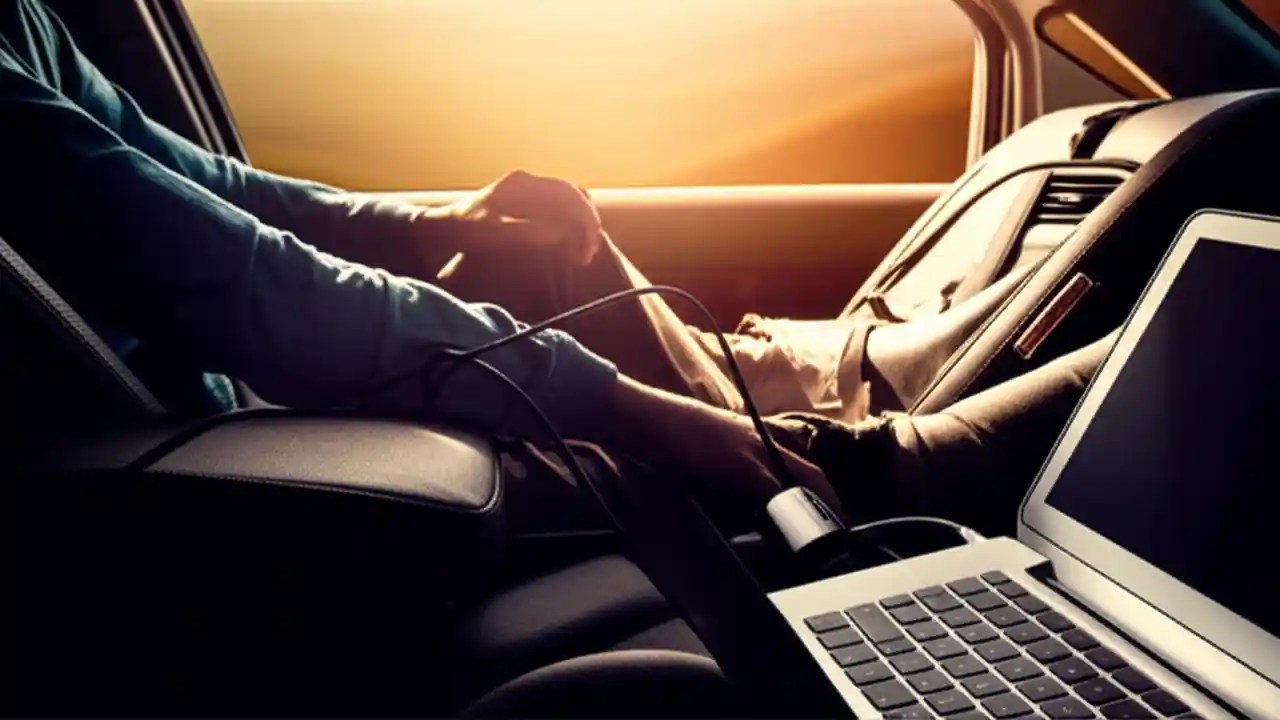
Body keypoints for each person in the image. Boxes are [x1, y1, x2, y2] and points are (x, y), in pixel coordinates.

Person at [0, 0, 841, 515]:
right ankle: (834, 459)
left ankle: (771, 414)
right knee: (615, 413)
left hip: (229, 411)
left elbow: (207, 184)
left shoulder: (22, 19)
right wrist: (631, 411)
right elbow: (247, 284)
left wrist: (433, 222)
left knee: (540, 247)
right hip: (200, 463)